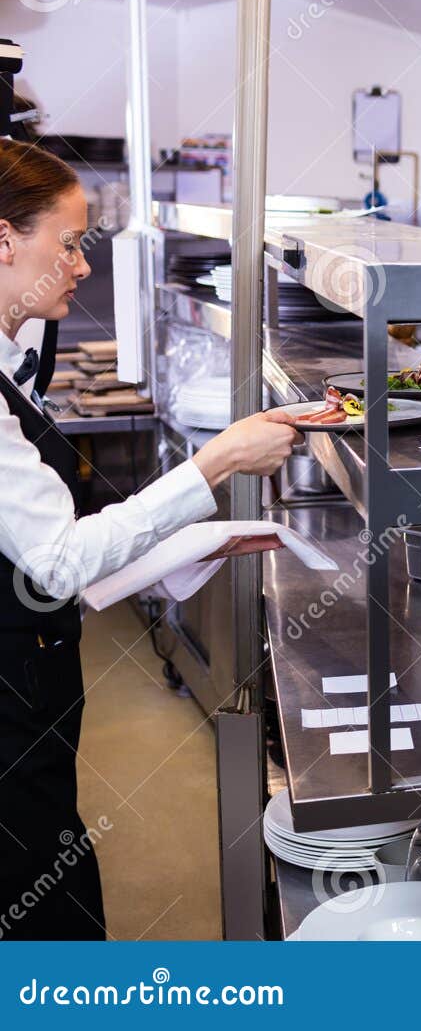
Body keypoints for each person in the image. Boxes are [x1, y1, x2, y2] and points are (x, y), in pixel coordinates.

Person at [0, 139, 299, 939]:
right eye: (68, 243)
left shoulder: (11, 354)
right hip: (8, 704)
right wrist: (215, 463)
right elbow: (57, 558)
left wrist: (183, 547)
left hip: (33, 687)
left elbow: (37, 558)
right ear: (4, 241)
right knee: (43, 914)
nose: (82, 264)